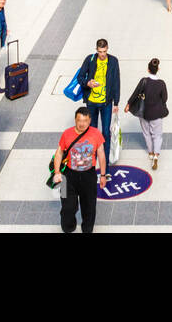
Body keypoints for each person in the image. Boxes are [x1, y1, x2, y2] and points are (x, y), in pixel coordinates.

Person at [52, 106, 108, 234]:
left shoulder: (96, 134)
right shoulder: (67, 133)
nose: (82, 124)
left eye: (85, 121)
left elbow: (101, 155)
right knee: (67, 207)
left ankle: (87, 229)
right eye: (79, 120)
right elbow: (59, 153)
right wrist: (57, 173)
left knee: (89, 207)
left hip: (89, 175)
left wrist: (103, 175)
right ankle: (68, 227)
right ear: (75, 120)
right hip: (68, 176)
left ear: (89, 121)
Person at [75, 39, 121, 145]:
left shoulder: (113, 61)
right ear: (96, 50)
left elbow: (116, 82)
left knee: (106, 132)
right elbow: (80, 77)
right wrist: (88, 83)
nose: (102, 54)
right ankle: (93, 156)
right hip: (91, 102)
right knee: (92, 131)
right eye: (100, 52)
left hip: (106, 102)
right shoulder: (90, 59)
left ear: (107, 49)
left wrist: (116, 102)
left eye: (104, 51)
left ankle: (106, 159)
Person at [127, 58, 170, 170]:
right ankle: (156, 155)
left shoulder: (144, 81)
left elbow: (135, 93)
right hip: (157, 113)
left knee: (147, 133)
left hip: (144, 112)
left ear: (148, 69)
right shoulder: (161, 84)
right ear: (158, 69)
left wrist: (128, 104)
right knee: (157, 135)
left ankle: (150, 152)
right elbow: (165, 99)